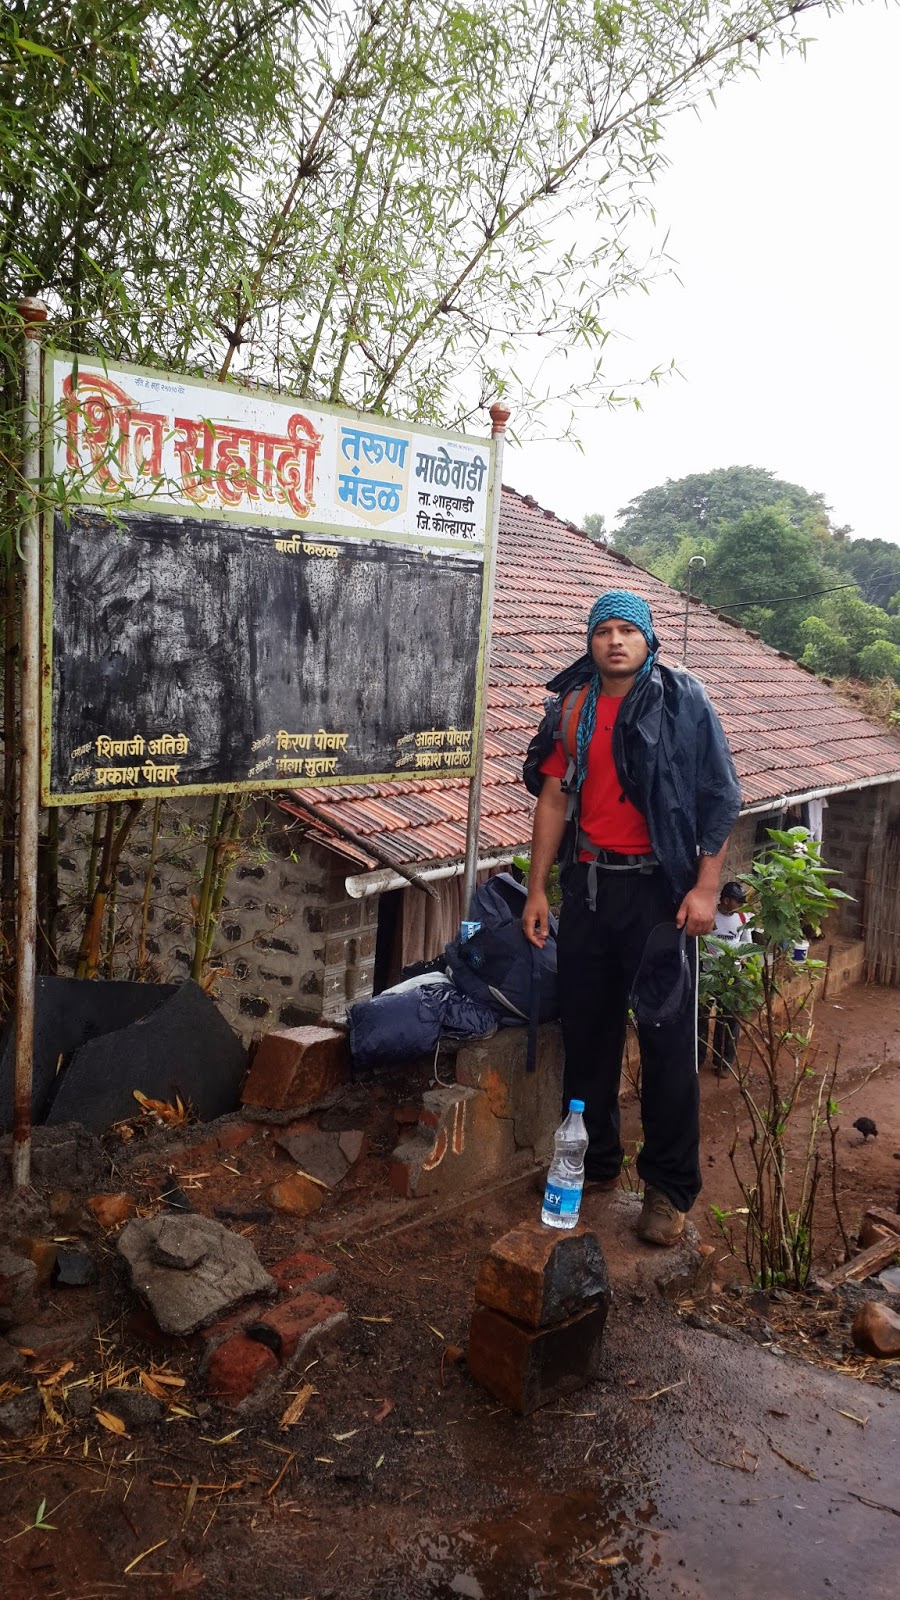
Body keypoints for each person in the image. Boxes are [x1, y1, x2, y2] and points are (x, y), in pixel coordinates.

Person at [521, 590, 742, 1246]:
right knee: (588, 1035)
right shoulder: (573, 707)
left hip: (658, 895)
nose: (615, 641)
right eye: (603, 631)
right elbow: (555, 801)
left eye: (627, 630)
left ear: (649, 640)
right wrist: (537, 890)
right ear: (590, 641)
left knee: (667, 1044)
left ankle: (669, 1190)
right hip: (588, 888)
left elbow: (718, 795)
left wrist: (705, 888)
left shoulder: (682, 703)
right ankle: (593, 1162)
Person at [698, 881, 754, 1075]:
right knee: (701, 1017)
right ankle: (698, 1058)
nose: (739, 905)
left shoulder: (742, 918)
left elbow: (747, 944)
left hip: (732, 976)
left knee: (728, 1019)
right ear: (726, 900)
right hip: (708, 974)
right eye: (736, 901)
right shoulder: (710, 916)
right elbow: (699, 941)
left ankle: (723, 1061)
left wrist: (741, 962)